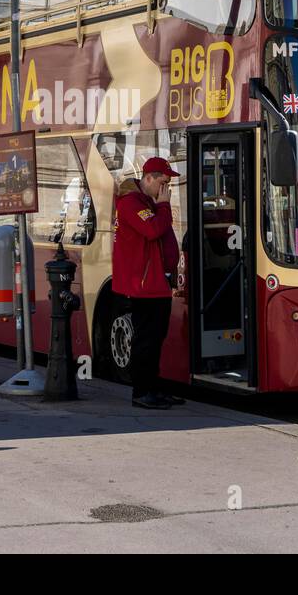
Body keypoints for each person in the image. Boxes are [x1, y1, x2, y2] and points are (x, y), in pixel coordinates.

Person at [112, 157, 184, 410]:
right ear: (149, 178)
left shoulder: (146, 202)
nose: (166, 190)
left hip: (155, 282)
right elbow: (153, 230)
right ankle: (142, 392)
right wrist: (164, 207)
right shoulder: (132, 203)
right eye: (163, 183)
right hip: (143, 286)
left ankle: (153, 388)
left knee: (156, 339)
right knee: (147, 340)